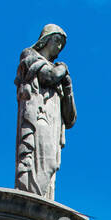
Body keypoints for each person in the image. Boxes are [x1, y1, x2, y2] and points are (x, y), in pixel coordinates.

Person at [15, 24, 76, 197]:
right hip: (39, 119)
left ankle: (42, 200)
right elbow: (50, 76)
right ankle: (31, 198)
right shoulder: (30, 58)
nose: (59, 46)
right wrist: (63, 69)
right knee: (42, 162)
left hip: (54, 125)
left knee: (52, 165)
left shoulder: (56, 72)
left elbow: (71, 118)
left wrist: (69, 89)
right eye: (57, 40)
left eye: (62, 44)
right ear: (45, 40)